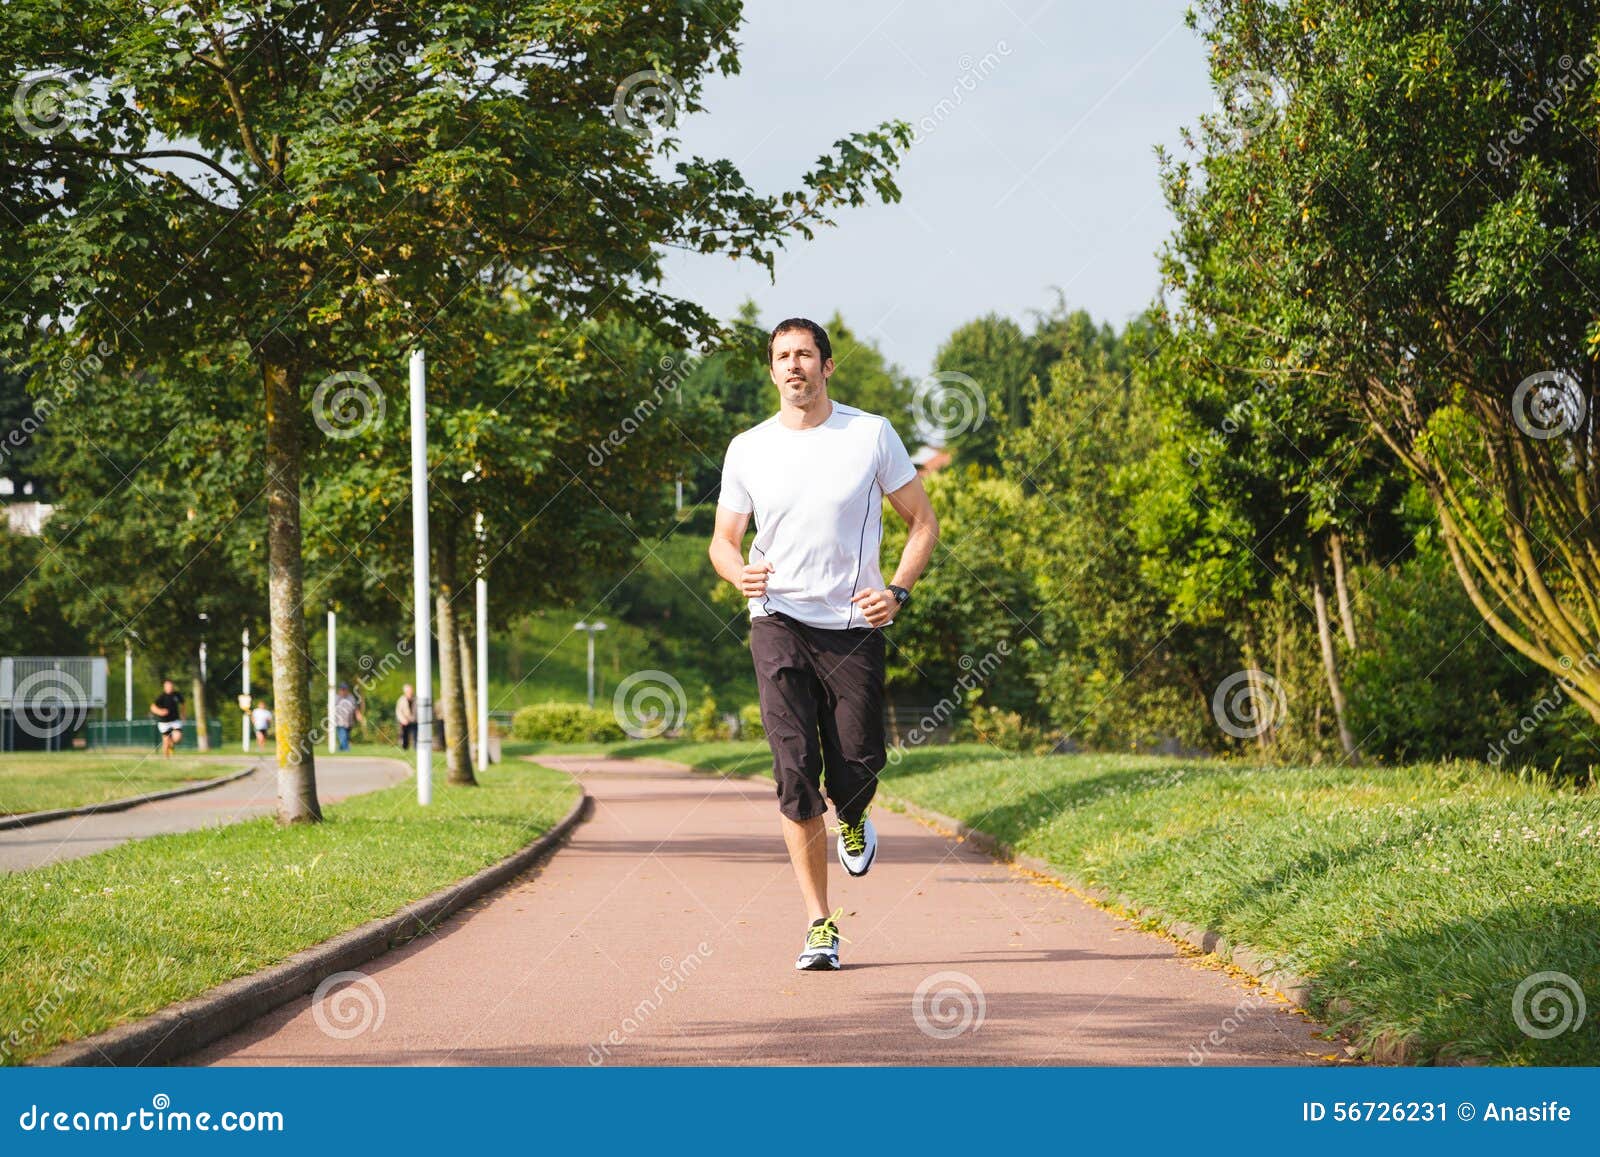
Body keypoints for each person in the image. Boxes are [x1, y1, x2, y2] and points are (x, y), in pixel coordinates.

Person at [709, 317, 939, 971]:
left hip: (853, 624)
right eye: (781, 356)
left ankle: (857, 811)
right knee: (792, 771)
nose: (793, 366)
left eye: (805, 354)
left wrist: (896, 590)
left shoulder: (870, 435)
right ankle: (820, 922)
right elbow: (723, 541)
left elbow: (922, 523)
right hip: (776, 619)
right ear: (771, 370)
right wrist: (736, 570)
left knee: (858, 760)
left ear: (827, 366)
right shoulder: (749, 448)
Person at [150, 679, 185, 757]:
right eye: (168, 686)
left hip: (175, 721)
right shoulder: (161, 697)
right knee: (165, 742)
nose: (170, 687)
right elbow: (152, 707)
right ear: (165, 687)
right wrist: (160, 711)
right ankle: (166, 759)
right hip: (164, 722)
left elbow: (183, 704)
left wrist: (183, 714)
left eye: (171, 685)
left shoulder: (177, 695)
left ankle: (171, 744)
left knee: (178, 738)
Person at [334, 683, 361, 752]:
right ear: (339, 690)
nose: (343, 691)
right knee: (343, 735)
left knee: (346, 736)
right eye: (342, 690)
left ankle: (340, 749)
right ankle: (346, 749)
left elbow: (355, 708)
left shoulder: (351, 698)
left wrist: (358, 715)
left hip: (349, 721)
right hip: (339, 721)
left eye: (345, 689)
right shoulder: (336, 698)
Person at [396, 684, 417, 750]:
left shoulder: (416, 699)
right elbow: (398, 711)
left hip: (414, 720)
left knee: (415, 735)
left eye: (411, 691)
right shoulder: (401, 700)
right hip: (404, 721)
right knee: (405, 735)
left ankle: (415, 747)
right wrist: (403, 720)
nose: (410, 692)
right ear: (405, 692)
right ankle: (405, 747)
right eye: (408, 691)